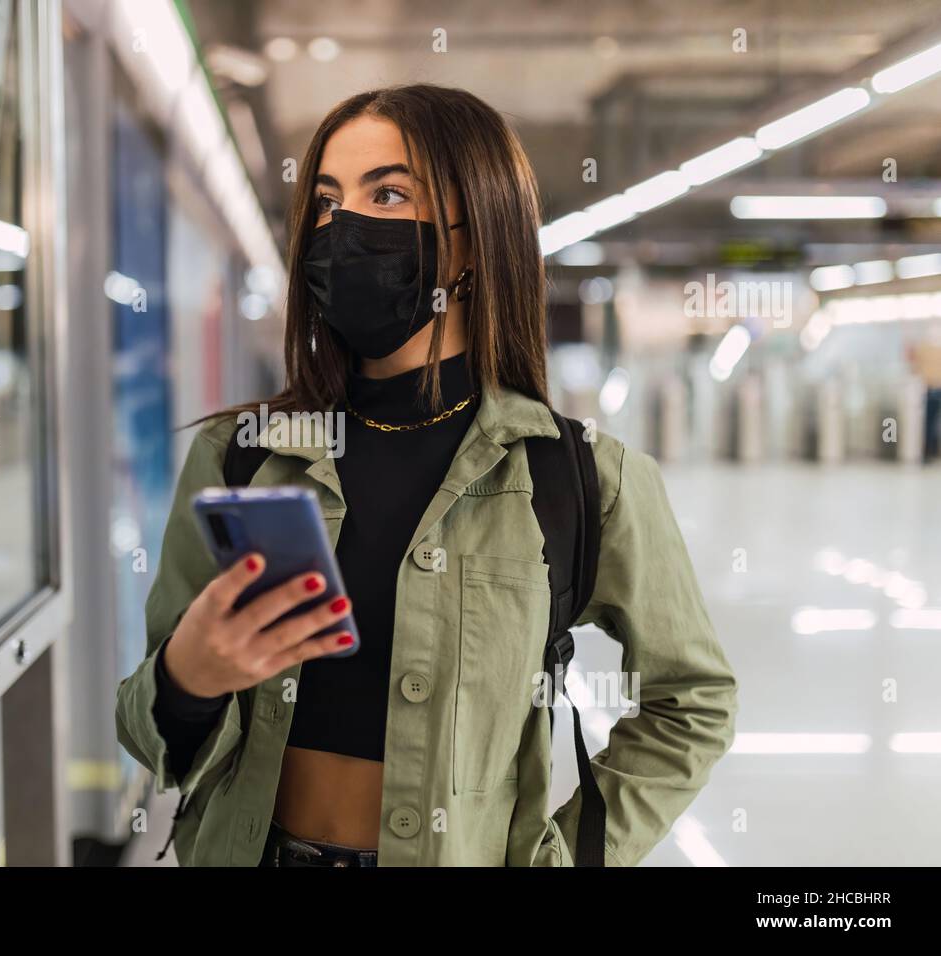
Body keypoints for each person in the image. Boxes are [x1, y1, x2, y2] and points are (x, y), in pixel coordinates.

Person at [115, 83, 737, 867]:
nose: (344, 228)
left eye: (390, 192)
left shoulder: (577, 478)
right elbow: (147, 731)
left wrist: (575, 856)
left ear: (474, 235)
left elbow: (692, 701)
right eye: (327, 201)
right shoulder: (244, 455)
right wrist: (186, 679)